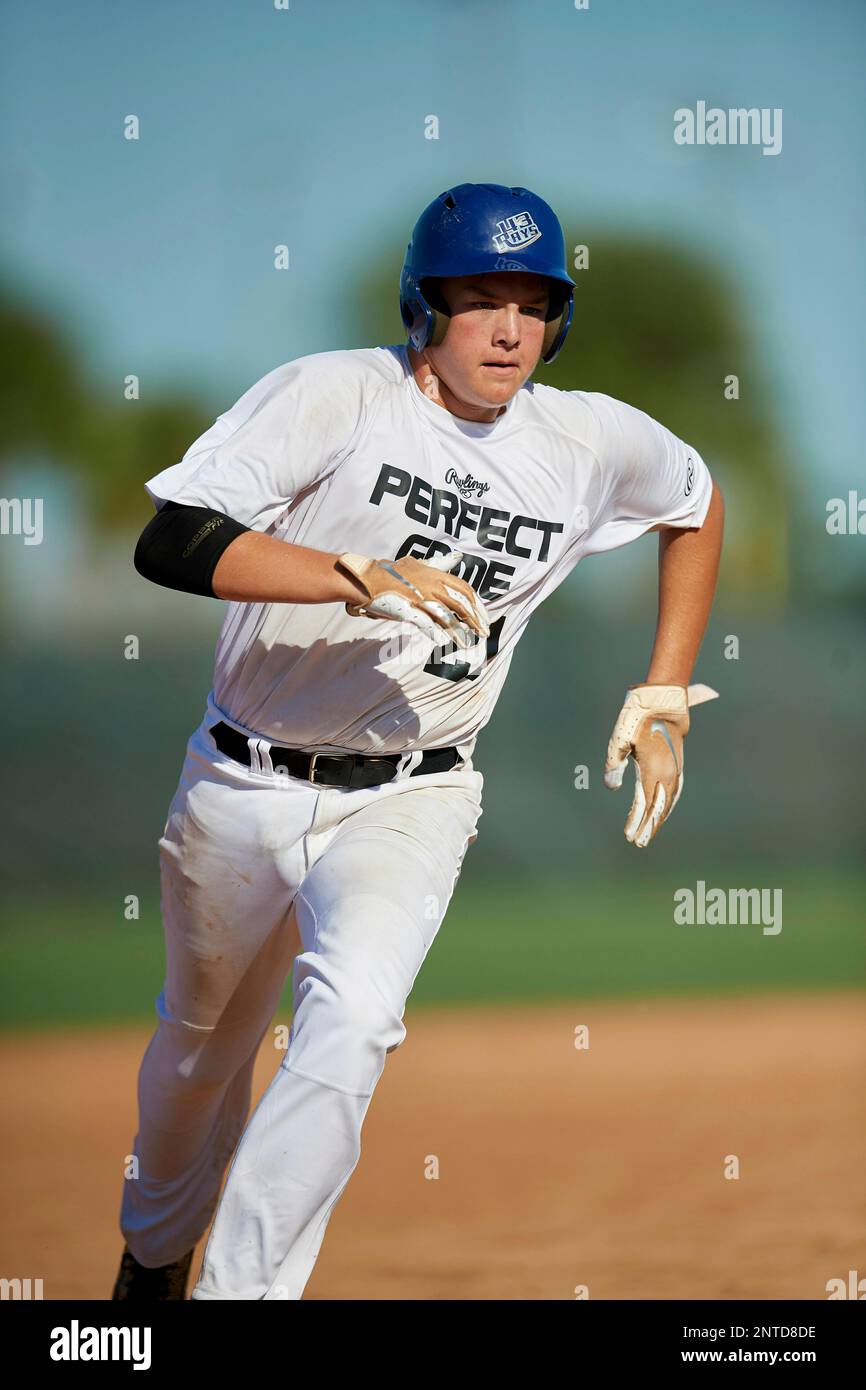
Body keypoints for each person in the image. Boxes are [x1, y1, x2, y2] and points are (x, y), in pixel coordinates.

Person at [113, 182, 724, 1301]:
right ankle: (149, 1266)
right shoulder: (334, 397)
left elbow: (692, 498)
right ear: (422, 307)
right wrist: (350, 574)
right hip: (241, 779)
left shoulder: (582, 441)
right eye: (477, 299)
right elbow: (173, 538)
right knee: (193, 1069)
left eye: (532, 304)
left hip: (413, 792)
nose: (506, 328)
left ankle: (236, 1295)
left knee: (350, 1023)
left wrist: (667, 686)